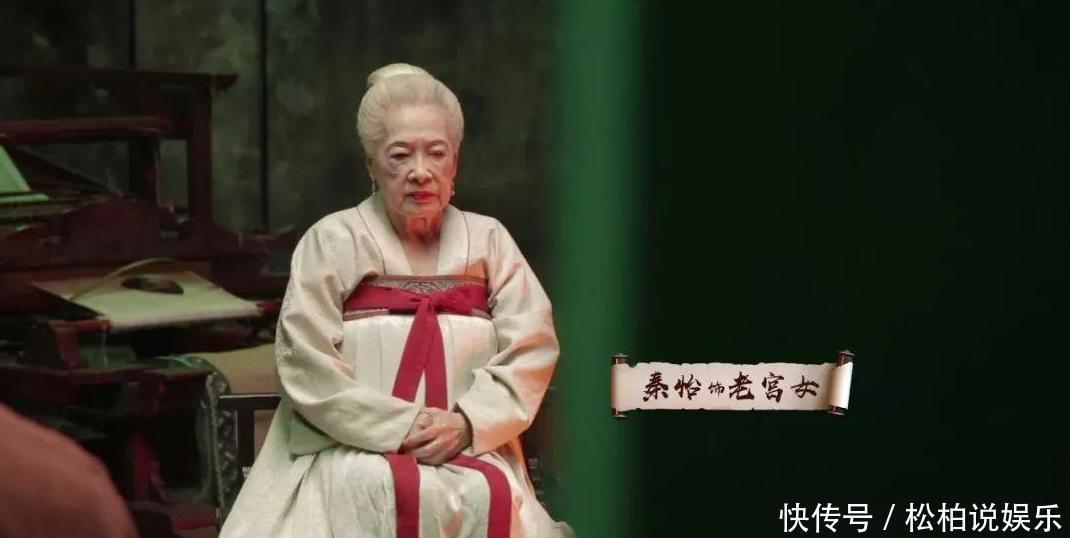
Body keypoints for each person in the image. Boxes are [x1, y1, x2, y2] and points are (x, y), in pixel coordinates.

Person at [220, 63, 572, 537]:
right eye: (400, 155)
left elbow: (532, 345)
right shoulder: (332, 239)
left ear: (455, 163)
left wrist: (468, 422)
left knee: (483, 493)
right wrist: (399, 427)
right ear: (371, 166)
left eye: (436, 154)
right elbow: (305, 360)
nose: (419, 172)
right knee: (374, 488)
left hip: (473, 446)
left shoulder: (490, 240)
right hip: (348, 448)